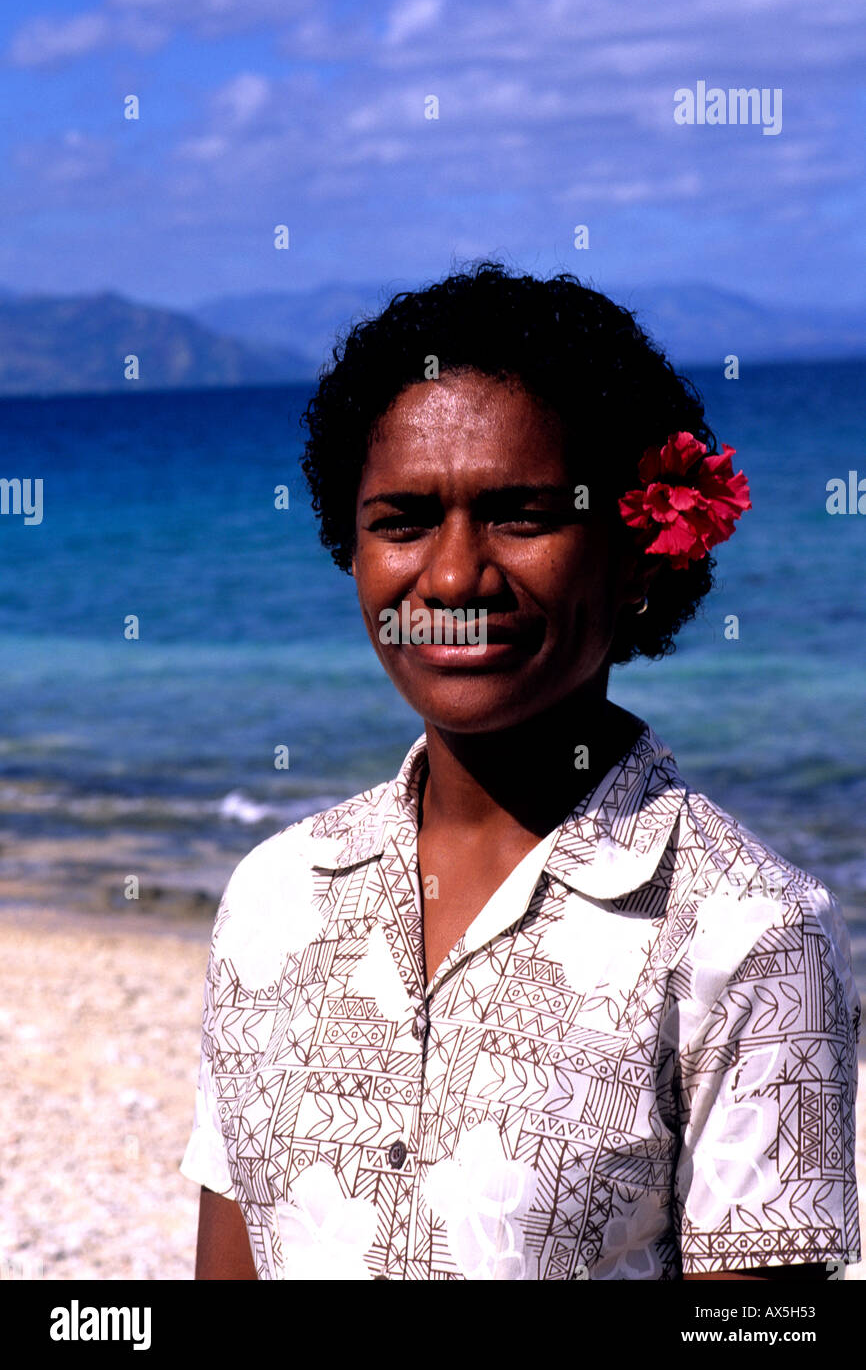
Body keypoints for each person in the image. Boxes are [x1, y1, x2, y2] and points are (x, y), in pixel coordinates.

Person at [180, 262, 861, 1280]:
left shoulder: (743, 935)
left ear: (636, 556)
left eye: (522, 514)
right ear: (350, 548)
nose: (451, 575)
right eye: (402, 520)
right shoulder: (274, 898)